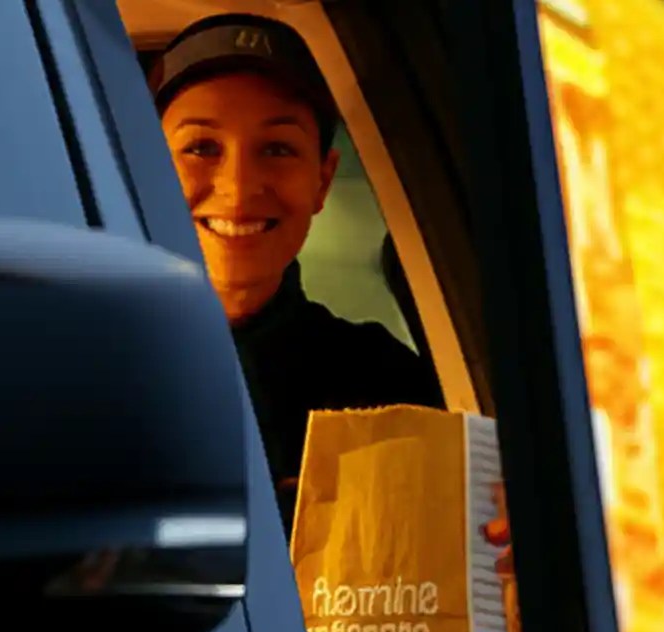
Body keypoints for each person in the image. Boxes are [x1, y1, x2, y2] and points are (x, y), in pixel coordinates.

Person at [148, 13, 446, 534]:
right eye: (201, 147)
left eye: (278, 149)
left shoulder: (389, 388)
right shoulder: (79, 368)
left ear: (322, 181)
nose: (239, 190)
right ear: (144, 162)